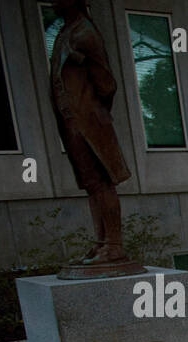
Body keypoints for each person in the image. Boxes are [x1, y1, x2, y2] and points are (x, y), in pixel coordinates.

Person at [49, 0, 134, 268]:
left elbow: (106, 83)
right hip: (72, 120)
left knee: (103, 180)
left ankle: (114, 245)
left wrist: (94, 111)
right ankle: (102, 242)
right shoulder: (65, 33)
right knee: (91, 184)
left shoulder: (85, 33)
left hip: (89, 120)